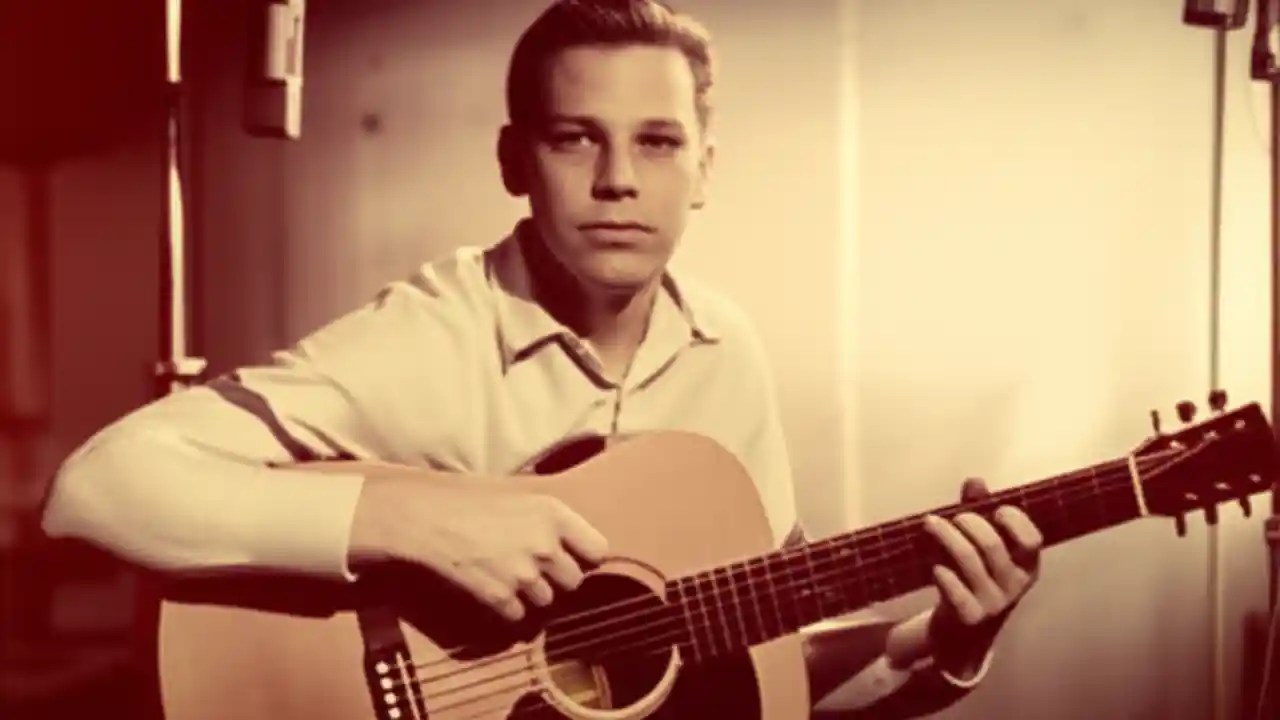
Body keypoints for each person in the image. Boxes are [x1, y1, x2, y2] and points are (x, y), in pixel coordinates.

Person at [39, 1, 1044, 717]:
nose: (617, 180)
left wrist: (944, 643)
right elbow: (97, 487)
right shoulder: (428, 337)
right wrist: (418, 521)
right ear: (514, 160)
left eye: (656, 143)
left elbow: (759, 667)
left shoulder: (724, 351)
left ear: (704, 170)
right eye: (575, 139)